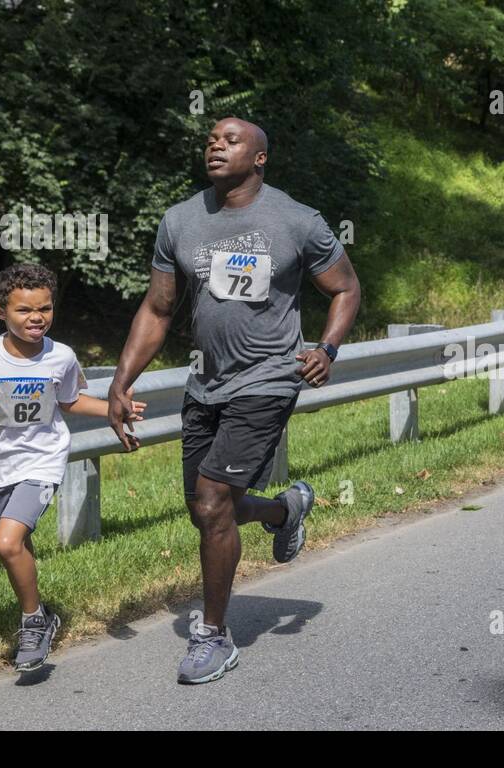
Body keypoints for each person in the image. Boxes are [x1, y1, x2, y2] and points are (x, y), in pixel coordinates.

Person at [107, 117, 361, 684]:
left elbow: (345, 287)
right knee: (204, 507)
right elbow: (157, 309)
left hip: (269, 379)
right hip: (206, 383)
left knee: (216, 501)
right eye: (210, 140)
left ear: (261, 157)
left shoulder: (297, 221)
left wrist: (327, 347)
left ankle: (213, 635)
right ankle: (284, 510)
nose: (216, 146)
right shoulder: (180, 220)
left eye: (231, 140)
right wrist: (121, 383)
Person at [0, 263, 146, 673]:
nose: (37, 318)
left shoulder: (61, 356)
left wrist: (112, 410)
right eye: (25, 311)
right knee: (16, 548)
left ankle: (33, 622)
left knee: (7, 542)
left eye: (45, 309)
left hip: (43, 461)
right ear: (1, 312)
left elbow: (69, 402)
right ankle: (41, 613)